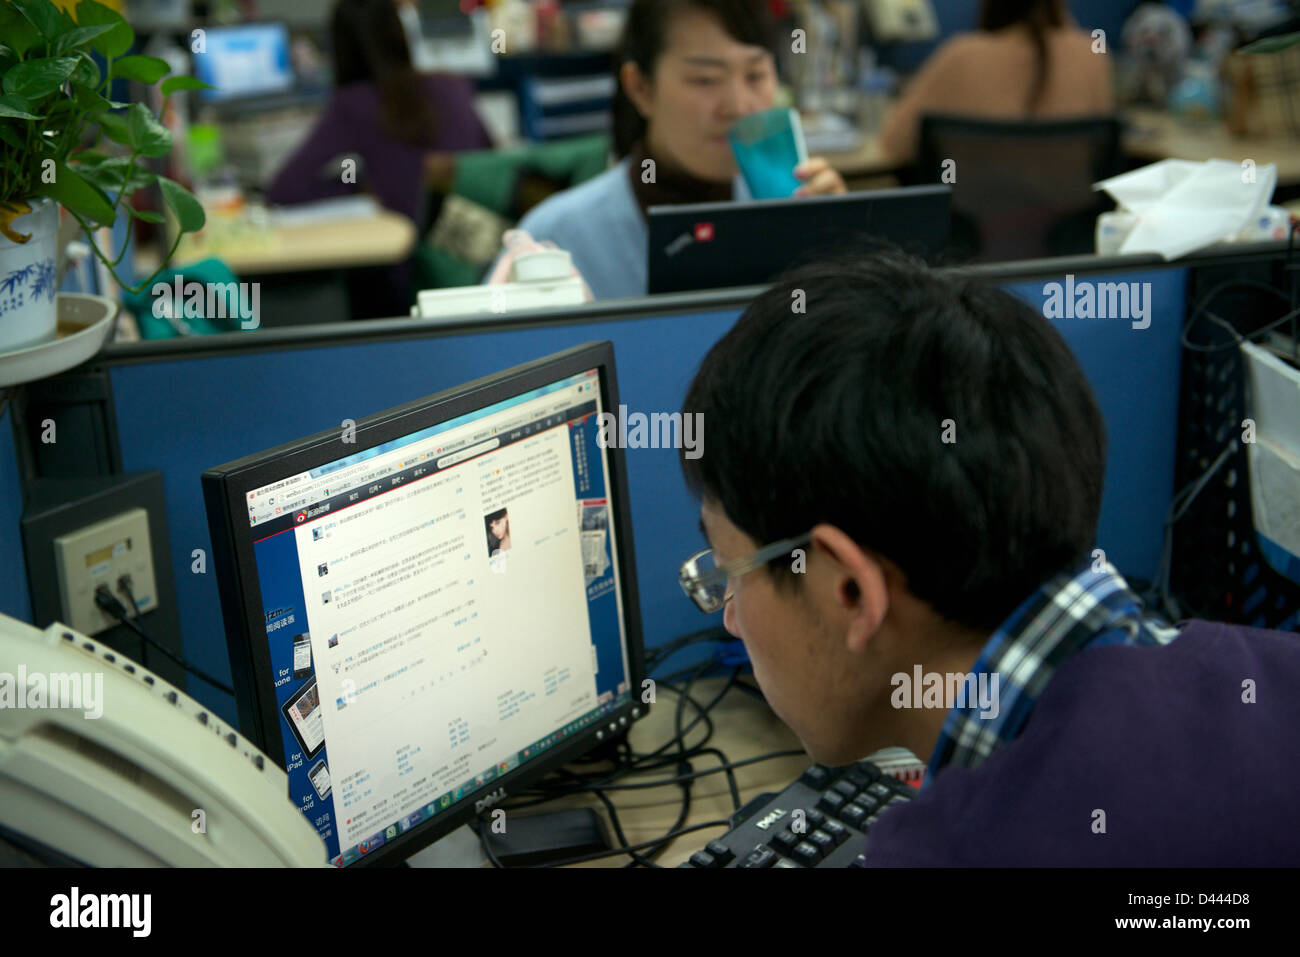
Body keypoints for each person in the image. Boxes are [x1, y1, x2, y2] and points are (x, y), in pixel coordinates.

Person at [676, 248, 1300, 865]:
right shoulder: (1272, 674)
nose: (730, 617)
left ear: (851, 591)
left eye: (731, 572)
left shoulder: (962, 852)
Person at [489, 0, 847, 300]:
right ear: (641, 88)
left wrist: (841, 253)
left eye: (755, 76)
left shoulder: (789, 208)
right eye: (705, 80)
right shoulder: (555, 240)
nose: (738, 106)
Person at [267, 0, 493, 312]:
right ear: (401, 32)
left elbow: (283, 190)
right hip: (479, 264)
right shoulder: (453, 87)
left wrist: (353, 185)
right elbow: (495, 165)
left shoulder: (353, 104)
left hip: (408, 281)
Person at [878, 0, 1114, 164]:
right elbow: (1102, 151)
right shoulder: (1091, 55)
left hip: (975, 230)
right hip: (1068, 231)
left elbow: (894, 145)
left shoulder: (961, 56)